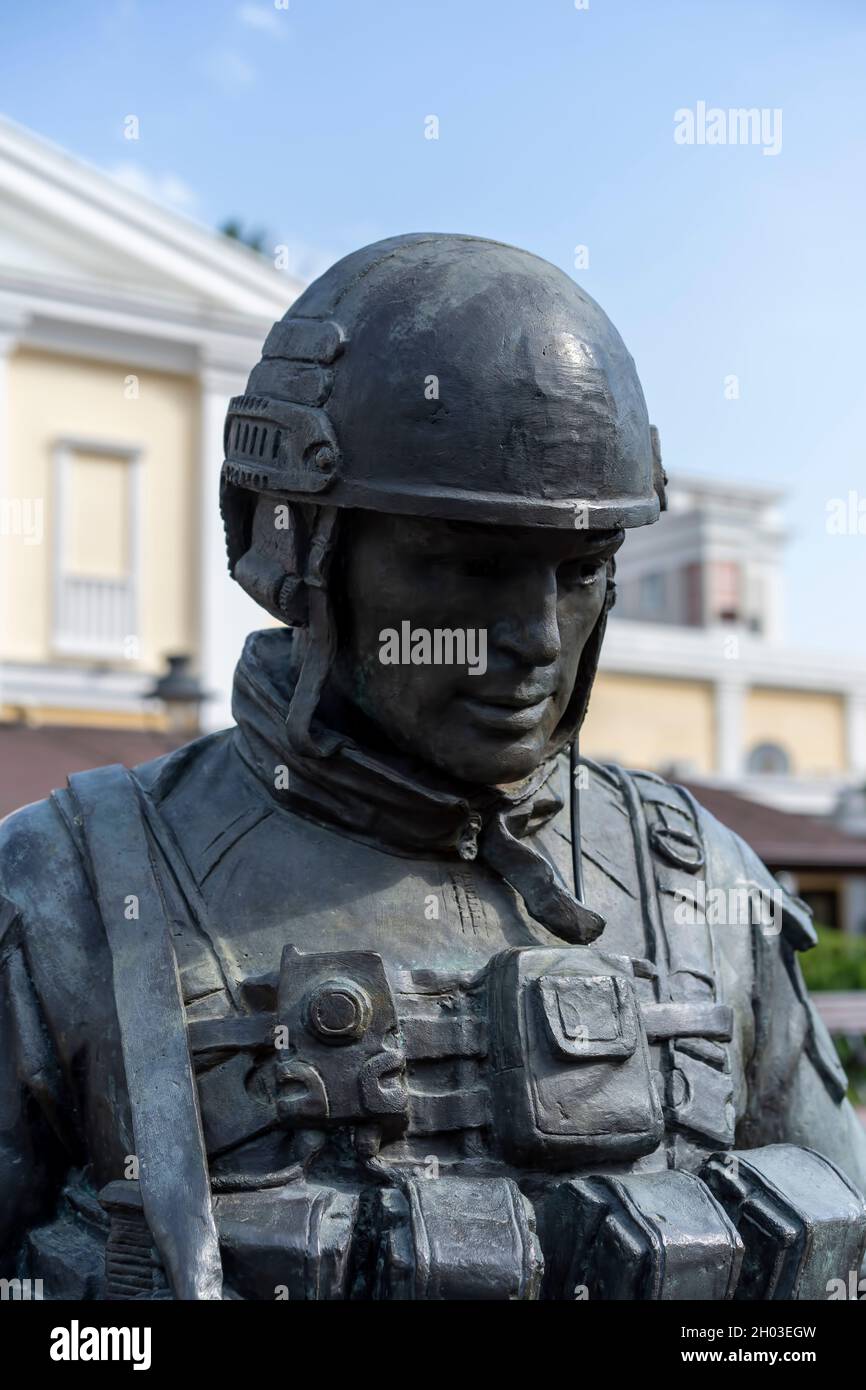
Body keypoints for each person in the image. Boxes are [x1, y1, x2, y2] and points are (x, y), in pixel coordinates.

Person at [1, 234, 864, 1301]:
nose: (538, 640)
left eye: (582, 570)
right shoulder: (65, 891)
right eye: (464, 567)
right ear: (298, 552)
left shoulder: (701, 886)